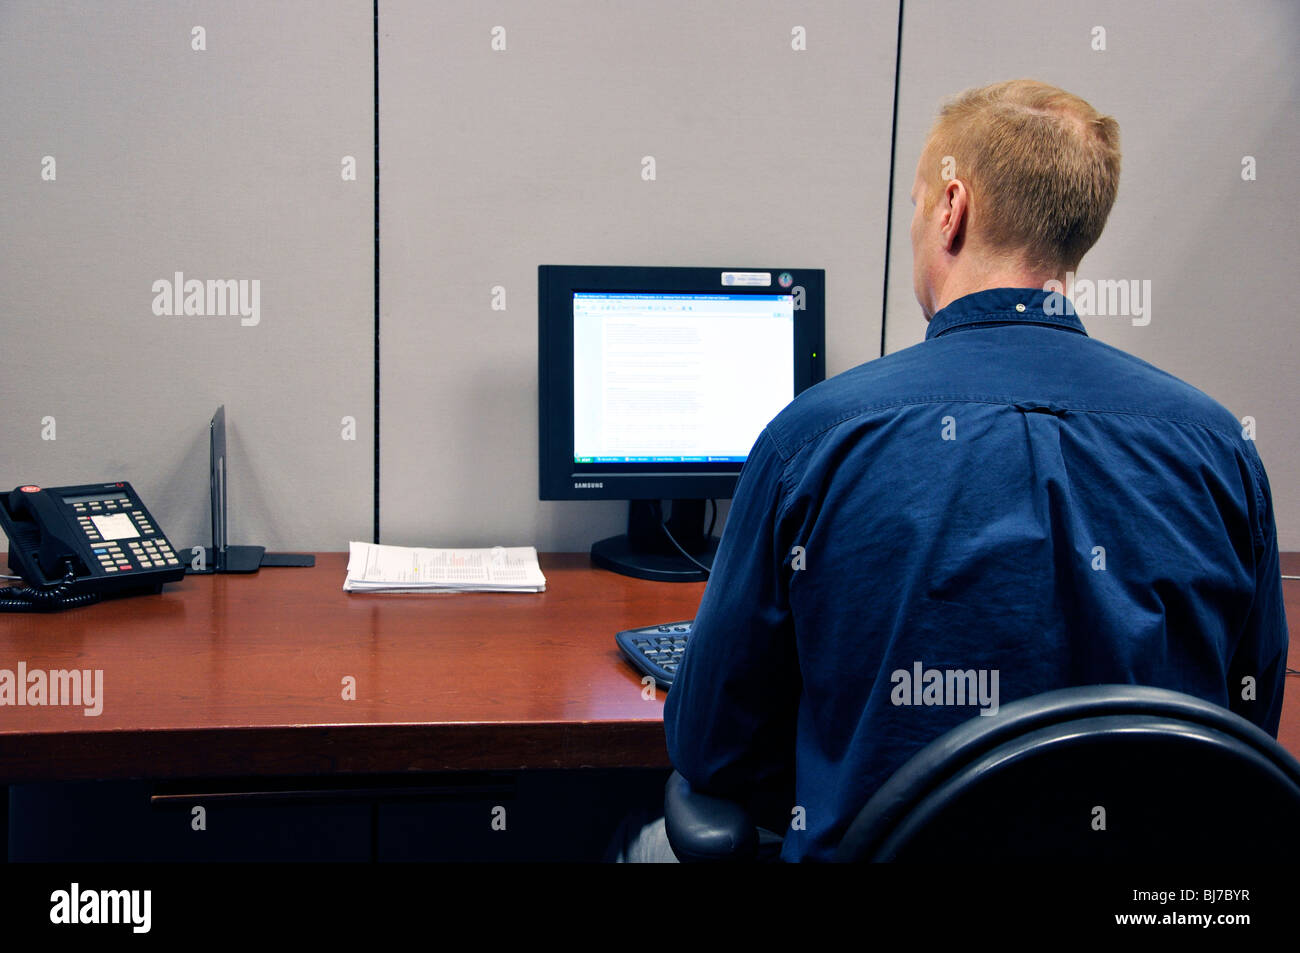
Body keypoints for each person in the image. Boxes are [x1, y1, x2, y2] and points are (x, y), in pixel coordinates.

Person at [616, 79, 1288, 863]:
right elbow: (1243, 727)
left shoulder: (813, 439)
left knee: (655, 843)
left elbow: (710, 749)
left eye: (914, 204)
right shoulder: (1219, 449)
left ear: (951, 207)